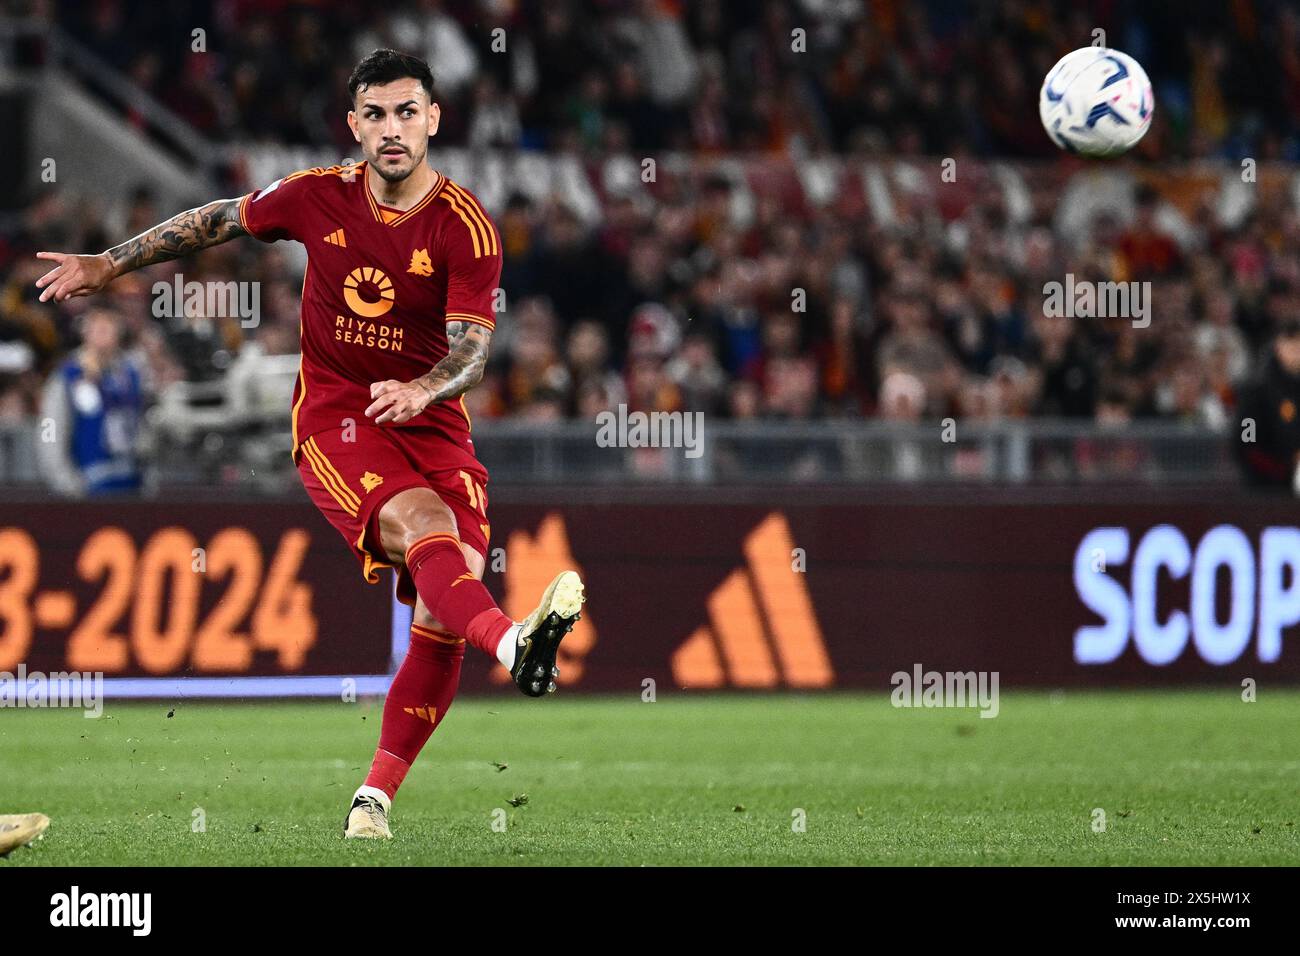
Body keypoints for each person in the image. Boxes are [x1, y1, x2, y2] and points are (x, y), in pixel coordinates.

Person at [33, 49, 586, 841]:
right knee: (431, 530)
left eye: (407, 112)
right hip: (339, 418)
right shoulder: (316, 196)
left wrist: (426, 389)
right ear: (354, 124)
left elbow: (471, 349)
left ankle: (374, 801)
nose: (391, 129)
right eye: (375, 114)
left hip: (432, 425)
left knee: (442, 605)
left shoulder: (466, 228)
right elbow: (220, 218)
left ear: (433, 119)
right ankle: (514, 641)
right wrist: (108, 262)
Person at [37, 309, 144, 497]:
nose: (103, 335)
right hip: (88, 485)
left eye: (108, 329)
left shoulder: (131, 374)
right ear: (84, 333)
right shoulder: (67, 377)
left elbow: (143, 425)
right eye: (97, 329)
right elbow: (49, 428)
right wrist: (66, 481)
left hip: (130, 484)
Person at [1234, 319, 1300, 491]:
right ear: (1278, 345)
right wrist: (1286, 470)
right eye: (1292, 341)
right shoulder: (1256, 392)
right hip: (1266, 490)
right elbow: (1247, 444)